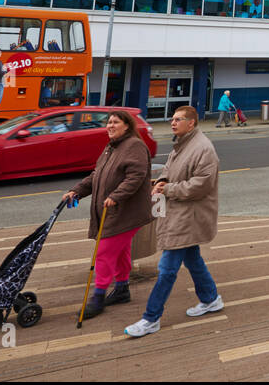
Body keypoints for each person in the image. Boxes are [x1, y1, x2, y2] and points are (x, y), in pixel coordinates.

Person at [124, 105, 224, 337]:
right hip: (180, 213)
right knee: (193, 260)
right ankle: (210, 299)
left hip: (189, 216)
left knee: (167, 269)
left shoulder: (203, 148)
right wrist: (161, 180)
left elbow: (201, 185)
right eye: (172, 119)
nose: (172, 122)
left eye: (178, 119)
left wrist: (168, 188)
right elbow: (169, 168)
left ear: (192, 123)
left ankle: (151, 318)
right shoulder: (183, 144)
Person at [63, 110, 153, 316]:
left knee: (104, 252)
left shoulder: (134, 146)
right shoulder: (111, 147)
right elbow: (97, 175)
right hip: (111, 211)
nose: (110, 126)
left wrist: (117, 195)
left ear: (127, 126)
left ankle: (98, 297)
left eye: (115, 122)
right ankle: (122, 289)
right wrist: (77, 191)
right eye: (108, 122)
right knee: (119, 251)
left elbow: (136, 176)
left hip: (125, 211)